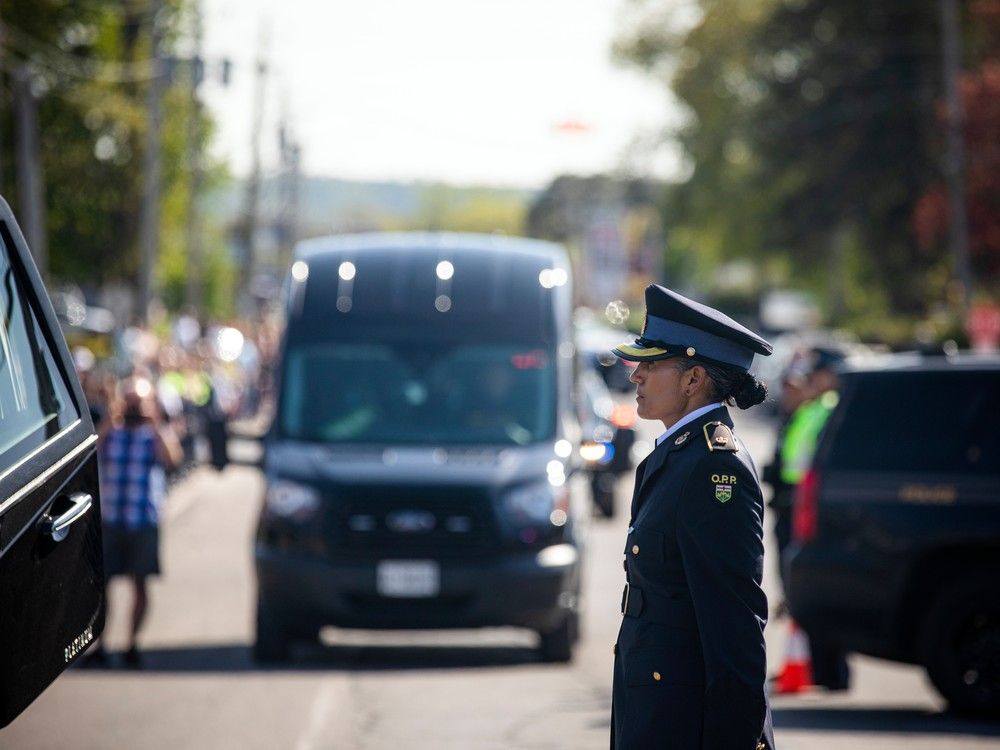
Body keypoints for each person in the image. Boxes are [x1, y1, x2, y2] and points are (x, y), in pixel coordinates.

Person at [610, 284, 775, 750]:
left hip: (686, 726)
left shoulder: (712, 466)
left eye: (651, 363)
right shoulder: (679, 455)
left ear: (693, 378)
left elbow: (734, 629)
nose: (636, 375)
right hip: (656, 712)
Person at [90, 375, 182, 667]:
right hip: (112, 521)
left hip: (143, 521)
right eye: (128, 401)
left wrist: (154, 421)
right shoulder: (112, 433)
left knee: (140, 585)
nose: (132, 408)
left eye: (137, 402)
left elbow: (173, 459)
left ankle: (132, 644)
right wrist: (113, 415)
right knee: (101, 587)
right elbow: (92, 450)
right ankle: (101, 646)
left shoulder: (154, 435)